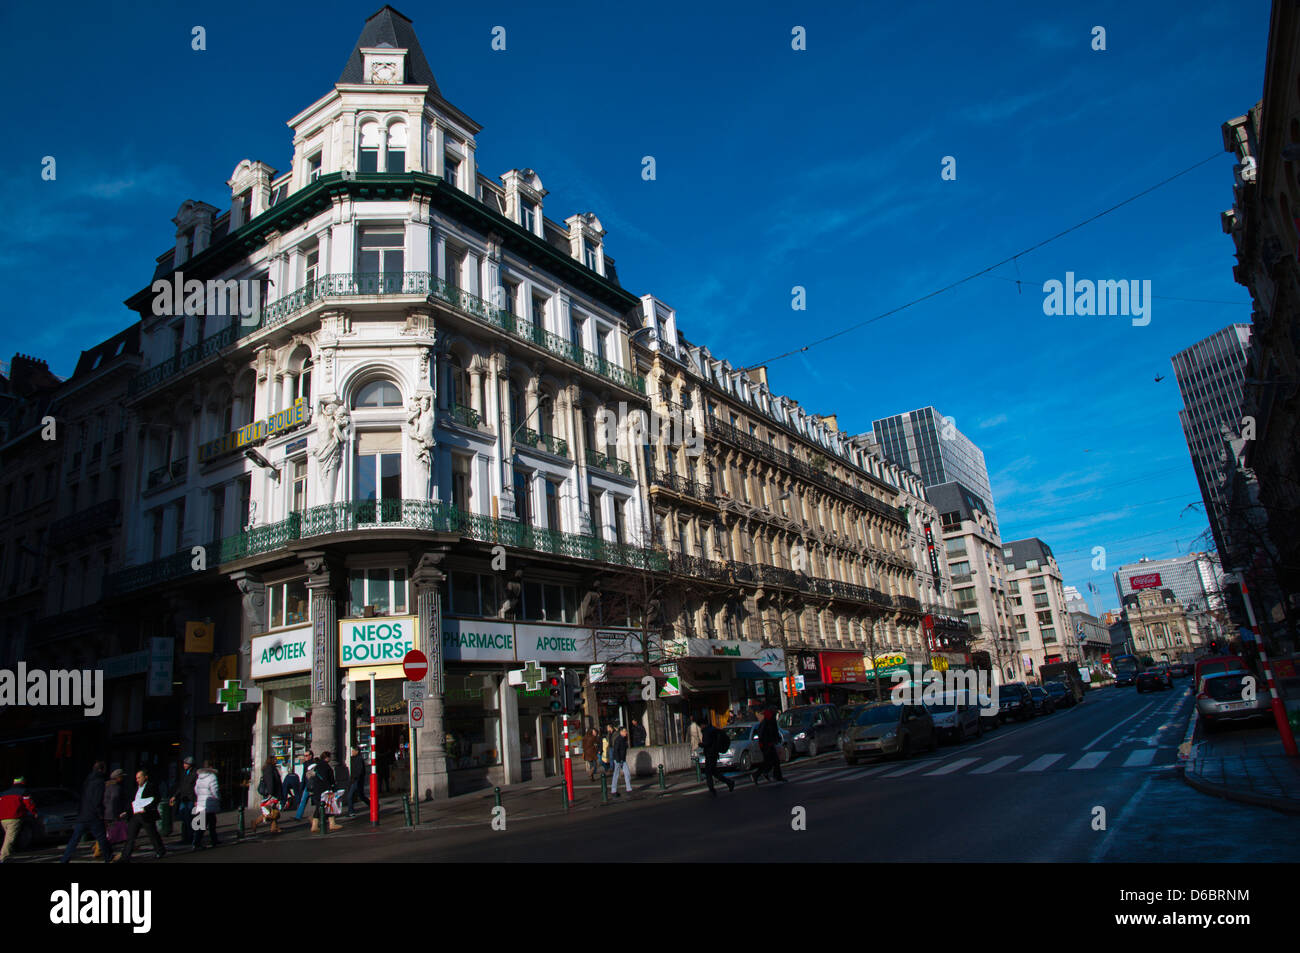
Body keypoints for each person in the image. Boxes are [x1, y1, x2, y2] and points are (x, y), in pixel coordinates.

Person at [60, 761, 111, 863]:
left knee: (74, 840)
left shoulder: (87, 780)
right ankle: (108, 857)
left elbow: (82, 798)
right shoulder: (100, 782)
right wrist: (101, 815)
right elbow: (97, 800)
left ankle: (64, 859)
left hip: (83, 815)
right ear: (102, 769)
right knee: (102, 838)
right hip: (94, 816)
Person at [115, 769, 166, 862]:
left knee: (152, 834)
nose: (137, 780)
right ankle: (125, 856)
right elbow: (132, 802)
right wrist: (127, 812)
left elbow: (156, 799)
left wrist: (147, 808)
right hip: (135, 815)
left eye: (139, 777)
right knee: (131, 836)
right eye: (136, 778)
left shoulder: (151, 787)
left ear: (145, 777)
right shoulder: (135, 789)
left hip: (146, 814)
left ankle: (160, 850)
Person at [0, 776, 37, 863]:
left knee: (8, 837)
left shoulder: (4, 793)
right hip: (14, 817)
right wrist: (34, 812)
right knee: (10, 838)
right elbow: (29, 804)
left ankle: (8, 855)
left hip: (3, 818)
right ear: (23, 782)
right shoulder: (23, 792)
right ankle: (3, 857)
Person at [698, 718, 735, 796]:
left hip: (710, 754)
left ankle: (712, 789)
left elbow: (707, 743)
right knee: (714, 772)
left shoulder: (707, 732)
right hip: (714, 754)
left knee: (709, 772)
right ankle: (729, 782)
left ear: (703, 725)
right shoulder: (713, 730)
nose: (700, 727)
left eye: (700, 725)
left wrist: (700, 744)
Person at [98, 769, 129, 859]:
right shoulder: (116, 787)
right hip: (112, 814)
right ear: (118, 778)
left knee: (109, 834)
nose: (123, 779)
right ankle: (104, 849)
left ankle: (101, 848)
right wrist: (116, 815)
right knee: (117, 834)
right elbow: (114, 801)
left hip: (105, 813)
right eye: (122, 777)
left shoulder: (106, 785)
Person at [168, 756, 198, 848]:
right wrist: (175, 796)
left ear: (190, 764)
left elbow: (197, 787)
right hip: (183, 798)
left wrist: (196, 799)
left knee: (189, 818)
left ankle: (190, 837)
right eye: (184, 763)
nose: (184, 765)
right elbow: (181, 786)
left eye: (186, 763)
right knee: (183, 818)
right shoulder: (185, 773)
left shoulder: (195, 774)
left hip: (190, 798)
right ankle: (184, 837)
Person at [751, 708, 786, 784]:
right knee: (772, 761)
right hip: (767, 744)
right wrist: (772, 740)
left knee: (771, 761)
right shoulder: (768, 722)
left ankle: (762, 774)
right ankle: (760, 774)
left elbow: (773, 732)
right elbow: (768, 734)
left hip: (767, 744)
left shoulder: (767, 722)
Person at [251, 757, 283, 835]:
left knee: (273, 811)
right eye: (275, 759)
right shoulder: (269, 769)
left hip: (274, 793)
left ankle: (274, 827)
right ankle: (255, 822)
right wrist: (271, 793)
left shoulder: (272, 768)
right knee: (270, 812)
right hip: (271, 794)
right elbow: (270, 782)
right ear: (271, 760)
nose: (276, 760)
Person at [192, 761, 220, 849]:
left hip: (201, 803)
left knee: (203, 824)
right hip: (210, 803)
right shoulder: (212, 777)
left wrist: (200, 797)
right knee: (211, 823)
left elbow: (196, 790)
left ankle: (200, 841)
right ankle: (209, 841)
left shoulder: (199, 778)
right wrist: (218, 798)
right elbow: (214, 790)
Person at [316, 752, 342, 831]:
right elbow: (326, 778)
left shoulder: (318, 765)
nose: (330, 759)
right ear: (326, 757)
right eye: (329, 757)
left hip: (318, 788)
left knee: (321, 806)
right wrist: (330, 788)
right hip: (324, 789)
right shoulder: (325, 766)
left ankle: (315, 824)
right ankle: (331, 823)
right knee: (329, 804)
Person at [609, 726, 632, 797]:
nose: (626, 733)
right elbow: (616, 750)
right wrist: (618, 760)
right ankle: (613, 790)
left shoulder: (623, 739)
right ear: (621, 732)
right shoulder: (618, 740)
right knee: (616, 774)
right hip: (618, 760)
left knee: (627, 773)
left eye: (626, 731)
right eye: (625, 731)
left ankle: (629, 789)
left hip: (622, 759)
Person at [294, 750, 317, 820]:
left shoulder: (314, 764)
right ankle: (298, 816)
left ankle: (317, 815)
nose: (305, 757)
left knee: (316, 801)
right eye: (304, 755)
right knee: (303, 800)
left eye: (306, 755)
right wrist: (302, 786)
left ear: (311, 756)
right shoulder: (305, 764)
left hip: (313, 784)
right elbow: (304, 776)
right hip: (307, 785)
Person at [347, 747, 369, 816]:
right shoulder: (352, 759)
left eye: (353, 751)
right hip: (356, 779)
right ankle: (372, 805)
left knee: (350, 796)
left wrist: (355, 777)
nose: (352, 752)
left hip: (357, 780)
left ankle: (351, 811)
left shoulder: (359, 759)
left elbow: (359, 770)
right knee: (361, 795)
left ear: (357, 751)